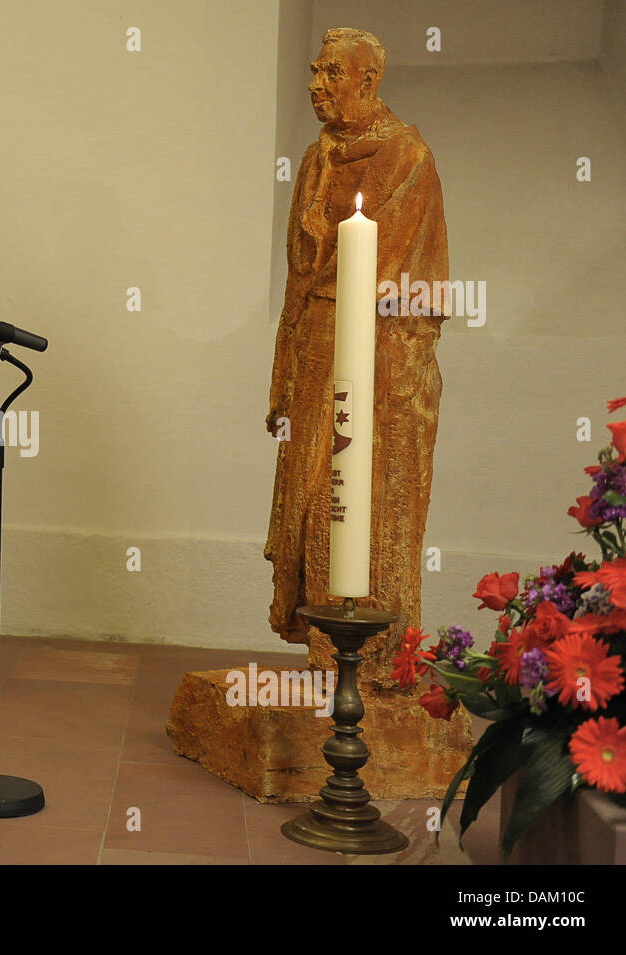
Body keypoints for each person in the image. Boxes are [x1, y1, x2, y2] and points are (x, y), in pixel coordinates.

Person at [265, 28, 449, 685]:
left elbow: (409, 281)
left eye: (330, 75)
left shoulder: (408, 159)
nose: (315, 86)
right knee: (313, 496)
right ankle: (324, 645)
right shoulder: (318, 157)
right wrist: (286, 364)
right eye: (314, 73)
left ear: (367, 83)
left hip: (383, 360)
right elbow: (300, 270)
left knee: (367, 496)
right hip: (319, 345)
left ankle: (376, 658)